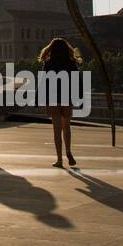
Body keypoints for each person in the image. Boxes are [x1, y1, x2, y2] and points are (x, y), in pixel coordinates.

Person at [39, 37, 82, 167]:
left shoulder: (48, 63)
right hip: (67, 97)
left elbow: (44, 82)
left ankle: (59, 159)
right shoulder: (70, 63)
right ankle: (68, 151)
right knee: (66, 127)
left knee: (56, 129)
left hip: (53, 98)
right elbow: (77, 81)